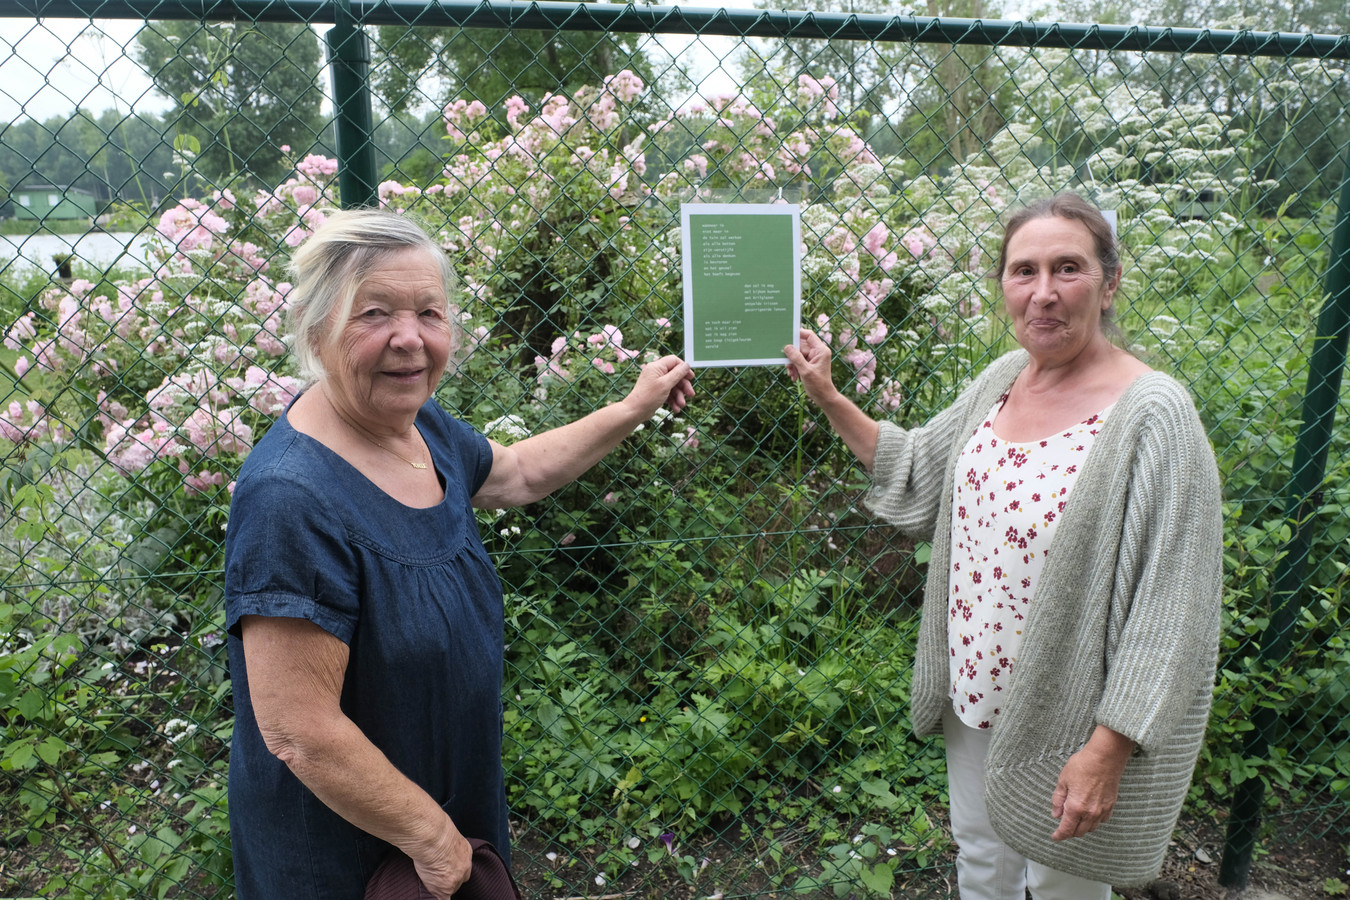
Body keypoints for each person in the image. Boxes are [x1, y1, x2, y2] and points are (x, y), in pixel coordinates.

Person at [223, 208, 694, 900]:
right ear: (315, 329)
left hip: (447, 816)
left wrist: (632, 407)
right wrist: (433, 841)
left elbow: (518, 473)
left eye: (429, 313)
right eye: (374, 313)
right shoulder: (290, 499)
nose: (409, 338)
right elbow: (300, 730)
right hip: (351, 855)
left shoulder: (420, 427)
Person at [784, 193, 1222, 897]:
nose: (1043, 292)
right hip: (977, 689)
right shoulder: (1002, 379)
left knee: (1061, 885)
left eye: (1067, 268)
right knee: (980, 854)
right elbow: (918, 469)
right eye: (1024, 271)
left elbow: (1175, 605)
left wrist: (1109, 747)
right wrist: (830, 396)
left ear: (1110, 283)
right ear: (1004, 286)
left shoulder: (1153, 414)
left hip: (1071, 710)